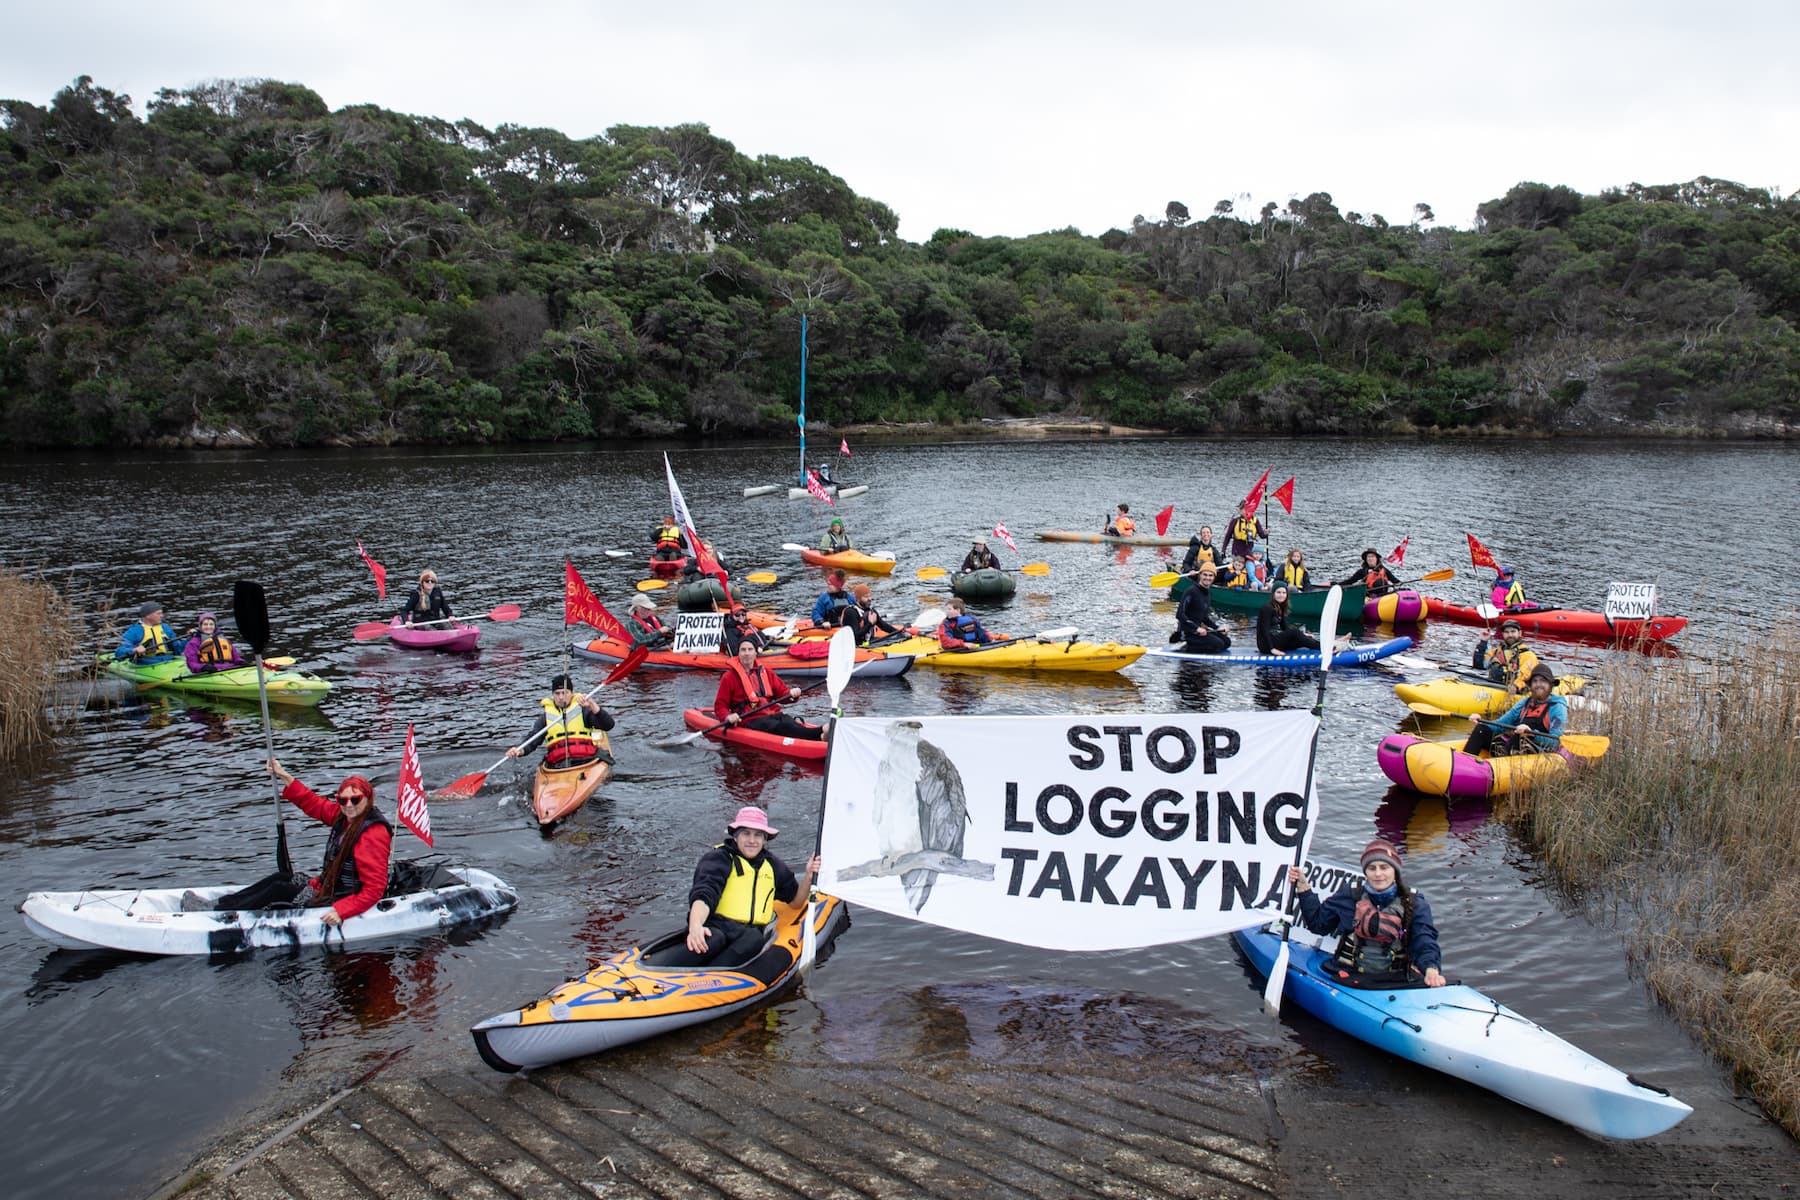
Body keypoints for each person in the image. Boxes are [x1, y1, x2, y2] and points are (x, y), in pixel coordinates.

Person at [191, 758, 393, 924]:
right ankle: (218, 904)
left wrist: (341, 912)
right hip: (328, 887)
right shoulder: (346, 817)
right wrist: (283, 775)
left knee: (280, 890)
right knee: (280, 878)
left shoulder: (372, 834)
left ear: (367, 799)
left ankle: (219, 912)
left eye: (355, 800)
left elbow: (374, 889)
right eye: (343, 800)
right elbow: (314, 804)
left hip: (342, 897)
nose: (349, 805)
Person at [662, 806, 820, 967]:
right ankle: (665, 971)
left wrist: (808, 876)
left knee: (753, 939)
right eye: (746, 833)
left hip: (748, 935)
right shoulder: (719, 859)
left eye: (758, 835)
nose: (752, 840)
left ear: (765, 840)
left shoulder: (773, 865)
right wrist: (695, 925)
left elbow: (796, 902)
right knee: (715, 939)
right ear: (735, 837)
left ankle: (711, 976)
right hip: (718, 925)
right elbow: (704, 894)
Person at [1286, 839, 1446, 988]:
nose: (1378, 874)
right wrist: (1303, 887)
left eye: (1384, 868)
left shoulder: (1414, 901)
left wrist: (1431, 968)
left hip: (1396, 979)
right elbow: (1318, 925)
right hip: (1349, 976)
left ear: (1395, 871)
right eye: (1372, 868)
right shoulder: (1350, 894)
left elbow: (1424, 939)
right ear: (1366, 872)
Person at [714, 640, 825, 741]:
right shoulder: (728, 677)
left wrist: (792, 694)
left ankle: (819, 735)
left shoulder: (766, 672)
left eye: (750, 649)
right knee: (783, 727)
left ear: (755, 653)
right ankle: (819, 734)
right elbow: (720, 706)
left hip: (772, 713)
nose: (747, 653)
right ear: (738, 653)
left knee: (788, 720)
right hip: (750, 719)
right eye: (743, 650)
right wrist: (728, 716)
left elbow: (783, 693)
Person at [506, 673, 616, 767]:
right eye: (557, 693)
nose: (561, 697)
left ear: (572, 694)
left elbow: (608, 725)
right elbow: (533, 739)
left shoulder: (583, 711)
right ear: (553, 695)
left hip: (586, 760)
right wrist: (519, 750)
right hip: (557, 765)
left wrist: (592, 705)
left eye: (565, 693)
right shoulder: (545, 718)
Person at [1463, 662, 1566, 757]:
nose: (1538, 684)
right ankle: (1465, 763)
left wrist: (1531, 733)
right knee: (1482, 729)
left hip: (1537, 752)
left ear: (1550, 685)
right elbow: (1500, 724)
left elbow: (1555, 741)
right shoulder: (1525, 703)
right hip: (1513, 747)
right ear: (1531, 685)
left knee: (1519, 737)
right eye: (1535, 681)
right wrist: (1481, 722)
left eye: (1543, 681)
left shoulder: (1557, 707)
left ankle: (1498, 768)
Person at [1174, 563, 1231, 653]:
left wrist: (1218, 628)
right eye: (1205, 574)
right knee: (1218, 644)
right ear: (1200, 575)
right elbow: (1180, 615)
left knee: (1227, 642)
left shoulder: (1208, 593)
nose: (1207, 578)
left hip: (1199, 631)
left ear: (1214, 577)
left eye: (1210, 575)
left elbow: (1204, 617)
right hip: (1187, 632)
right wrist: (1197, 628)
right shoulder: (1191, 591)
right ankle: (1184, 646)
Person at [1473, 618, 1539, 693]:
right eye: (1506, 632)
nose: (1510, 635)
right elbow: (1479, 665)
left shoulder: (1528, 655)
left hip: (1515, 692)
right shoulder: (1497, 651)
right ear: (1503, 634)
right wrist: (1483, 642)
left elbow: (1526, 676)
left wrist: (1515, 686)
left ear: (1519, 633)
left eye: (1513, 631)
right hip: (1494, 688)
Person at [1256, 584, 1322, 655]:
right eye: (1278, 592)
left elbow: (1285, 628)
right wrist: (1272, 649)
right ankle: (1323, 648)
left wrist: (1302, 635)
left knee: (1301, 640)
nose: (1281, 595)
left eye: (1284, 593)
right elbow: (1264, 630)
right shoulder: (1267, 608)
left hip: (1275, 640)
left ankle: (1325, 646)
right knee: (1295, 632)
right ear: (1273, 594)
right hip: (1266, 645)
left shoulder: (1280, 607)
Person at [115, 601, 187, 664]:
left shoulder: (165, 628)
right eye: (158, 614)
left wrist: (190, 638)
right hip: (146, 664)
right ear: (148, 616)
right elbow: (119, 651)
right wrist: (134, 650)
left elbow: (178, 650)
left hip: (169, 661)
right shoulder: (135, 631)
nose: (161, 616)